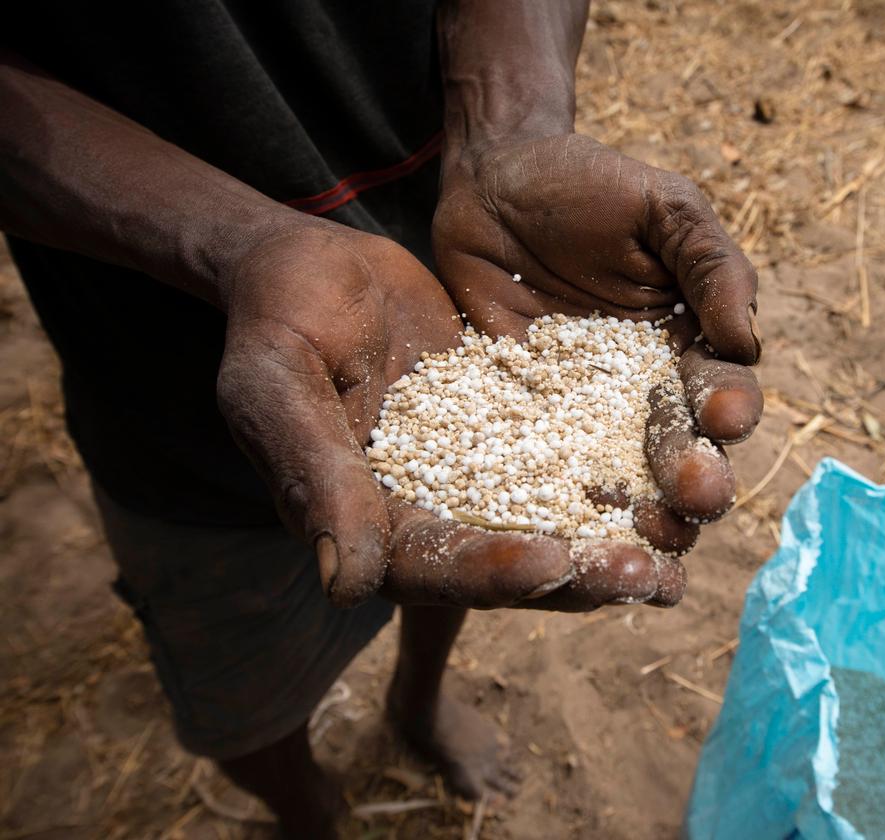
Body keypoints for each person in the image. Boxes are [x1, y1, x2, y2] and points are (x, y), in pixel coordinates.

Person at [0, 2, 763, 836]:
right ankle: (308, 808)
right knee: (244, 687)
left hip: (463, 265)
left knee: (462, 547)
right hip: (155, 362)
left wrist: (508, 127)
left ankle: (417, 702)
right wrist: (236, 245)